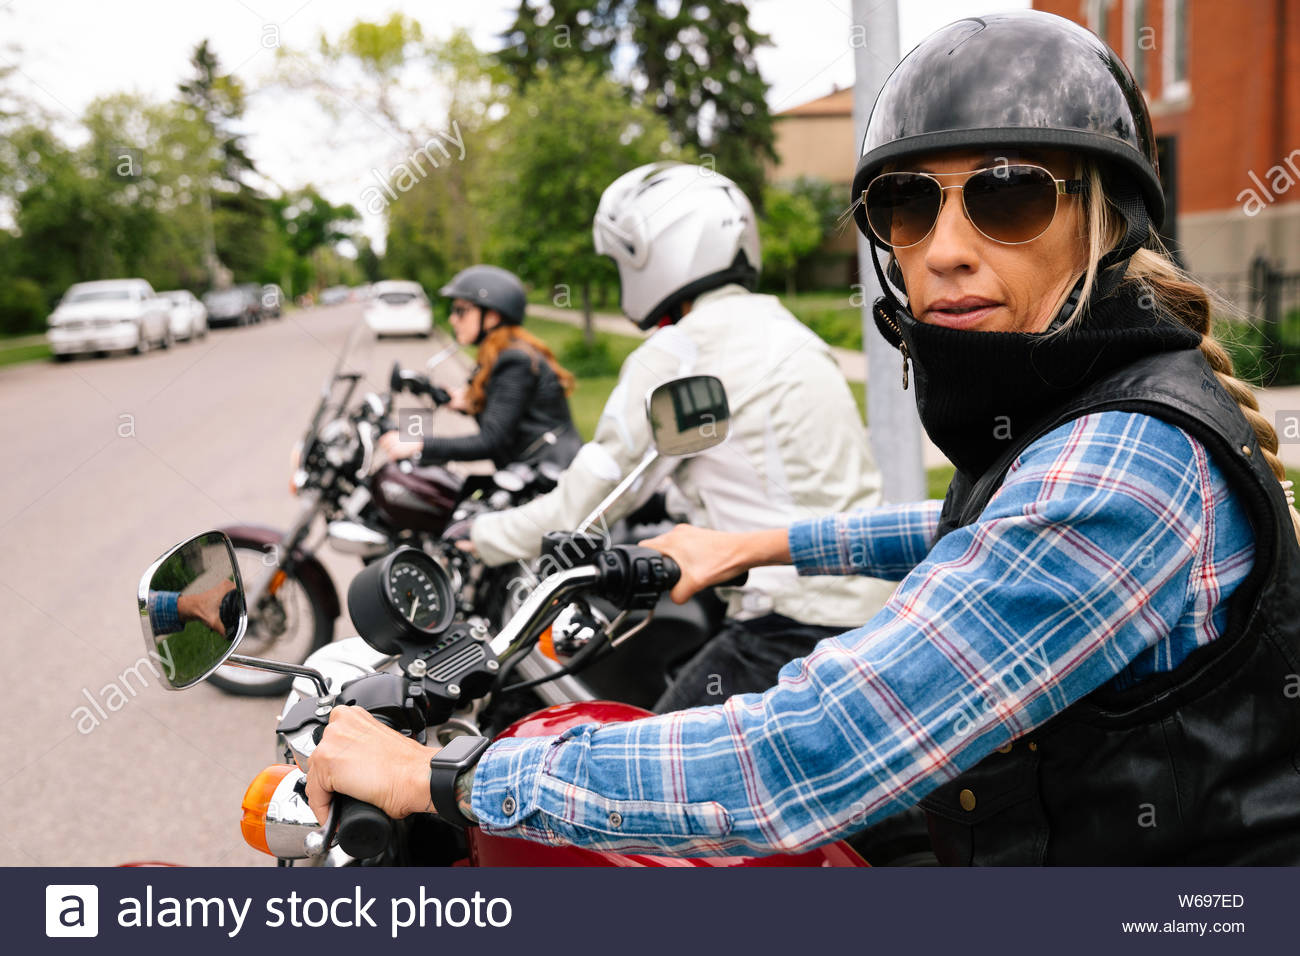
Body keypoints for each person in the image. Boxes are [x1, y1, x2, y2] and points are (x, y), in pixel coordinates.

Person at [304, 11, 1300, 864]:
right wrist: (760, 541)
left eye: (1006, 194)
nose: (945, 249)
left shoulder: (1124, 466)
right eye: (907, 204)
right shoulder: (1087, 419)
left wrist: (444, 773)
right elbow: (989, 523)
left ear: (1102, 219)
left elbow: (800, 758)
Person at [466, 162, 896, 713]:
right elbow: (760, 464)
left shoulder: (679, 355)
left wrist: (478, 534)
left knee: (643, 772)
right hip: (870, 610)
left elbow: (578, 509)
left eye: (625, 259)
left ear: (657, 251)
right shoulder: (790, 333)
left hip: (792, 626)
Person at [379, 265, 581, 472]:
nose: (452, 319)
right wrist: (459, 400)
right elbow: (508, 409)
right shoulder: (502, 352)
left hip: (549, 477)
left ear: (492, 317)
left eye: (461, 311)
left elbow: (491, 440)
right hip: (529, 470)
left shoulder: (514, 360)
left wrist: (418, 443)